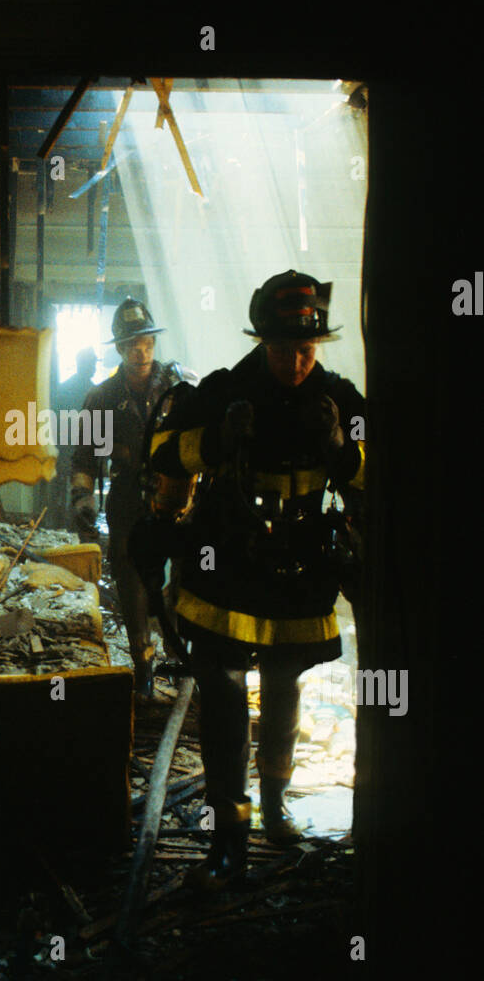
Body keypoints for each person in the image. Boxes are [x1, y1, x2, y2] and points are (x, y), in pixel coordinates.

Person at [135, 270, 365, 880]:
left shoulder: (339, 397)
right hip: (225, 567)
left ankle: (275, 806)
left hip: (300, 567)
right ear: (262, 339)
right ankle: (228, 831)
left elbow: (377, 480)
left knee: (287, 684)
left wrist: (343, 447)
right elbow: (161, 450)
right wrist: (213, 439)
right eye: (286, 346)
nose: (297, 360)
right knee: (226, 694)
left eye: (308, 347)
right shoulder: (225, 389)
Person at [69, 298, 190, 699]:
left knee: (184, 578)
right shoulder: (103, 398)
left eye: (146, 343)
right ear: (119, 349)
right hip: (127, 501)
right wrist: (82, 495)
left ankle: (183, 660)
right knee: (131, 580)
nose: (141, 351)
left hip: (177, 499)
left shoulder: (179, 388)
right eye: (132, 345)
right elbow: (87, 456)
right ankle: (144, 667)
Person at [48, 347, 98, 529]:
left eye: (93, 363)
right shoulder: (95, 392)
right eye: (91, 363)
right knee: (71, 495)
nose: (93, 367)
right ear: (83, 365)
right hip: (70, 451)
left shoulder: (90, 391)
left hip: (74, 452)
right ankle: (64, 529)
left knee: (74, 496)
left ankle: (65, 527)